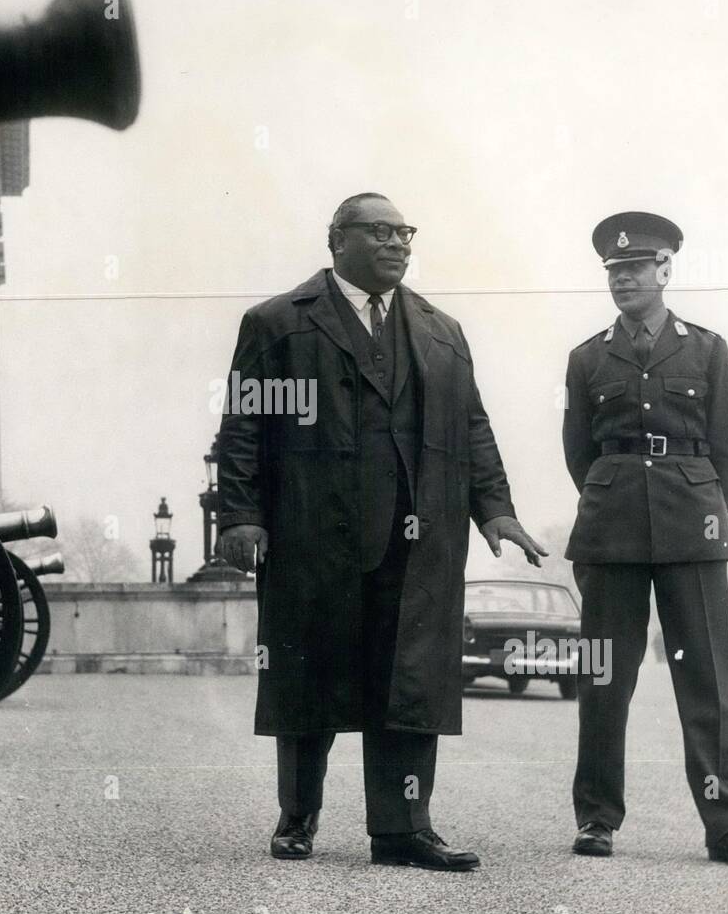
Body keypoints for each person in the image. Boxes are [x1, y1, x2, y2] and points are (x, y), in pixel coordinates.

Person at [216, 192, 546, 871]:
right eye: (379, 231)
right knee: (308, 670)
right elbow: (245, 425)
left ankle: (401, 830)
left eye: (404, 232)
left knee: (411, 679)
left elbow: (473, 426)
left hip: (419, 536)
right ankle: (297, 817)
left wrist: (496, 507)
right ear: (337, 240)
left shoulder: (440, 331)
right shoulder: (280, 323)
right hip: (313, 529)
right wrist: (243, 515)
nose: (397, 243)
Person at [561, 211, 728, 867]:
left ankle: (726, 827)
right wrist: (617, 492)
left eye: (635, 268)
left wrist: (701, 506)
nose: (623, 279)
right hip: (611, 527)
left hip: (694, 528)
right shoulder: (588, 356)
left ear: (664, 270)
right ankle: (597, 819)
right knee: (603, 681)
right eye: (614, 271)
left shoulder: (706, 348)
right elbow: (577, 452)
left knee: (707, 683)